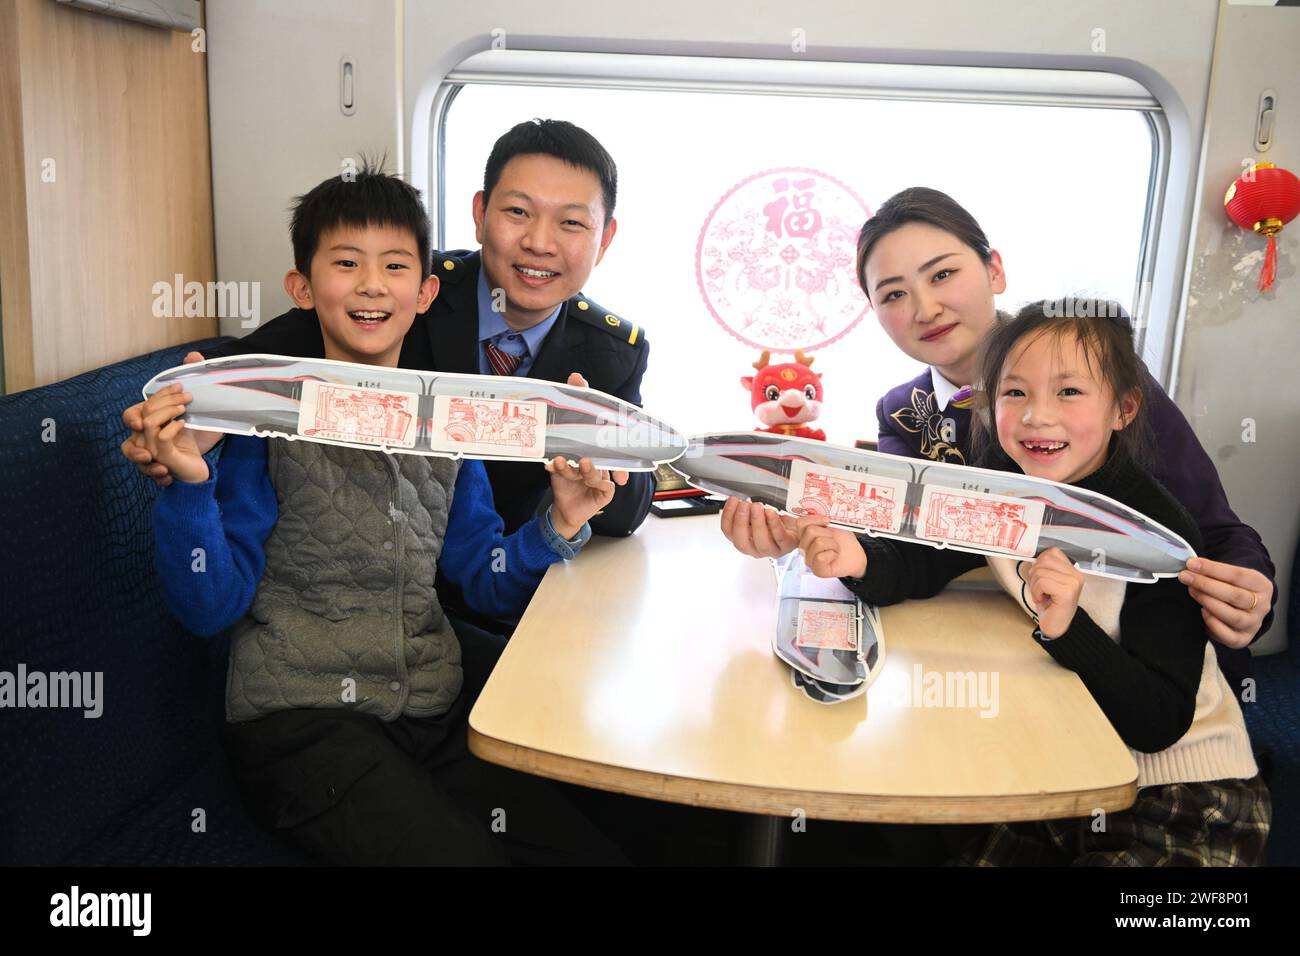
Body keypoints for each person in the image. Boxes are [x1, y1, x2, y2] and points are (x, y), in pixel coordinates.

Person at [132, 162, 624, 865]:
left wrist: (561, 522)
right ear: (303, 288)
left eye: (395, 265)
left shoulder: (448, 426)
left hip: (429, 713)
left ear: (425, 293)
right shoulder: (260, 427)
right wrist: (189, 486)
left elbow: (486, 580)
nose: (371, 284)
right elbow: (209, 607)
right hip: (301, 727)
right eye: (346, 263)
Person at [721, 187, 1276, 693]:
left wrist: (1248, 596)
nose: (925, 309)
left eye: (942, 274)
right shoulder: (901, 413)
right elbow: (899, 543)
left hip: (1134, 668)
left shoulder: (1097, 382)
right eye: (893, 294)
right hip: (1002, 652)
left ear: (995, 270)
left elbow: (1213, 529)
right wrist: (798, 533)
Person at [796, 301, 1269, 865]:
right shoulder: (1001, 489)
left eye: (1069, 392)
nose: (1037, 416)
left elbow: (1157, 722)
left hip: (1178, 788)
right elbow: (920, 562)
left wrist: (1070, 627)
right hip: (1061, 768)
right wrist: (852, 557)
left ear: (1124, 408)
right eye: (1014, 392)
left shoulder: (1153, 534)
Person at [122, 119, 654, 539]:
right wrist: (192, 414)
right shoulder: (401, 292)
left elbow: (630, 510)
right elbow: (265, 359)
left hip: (516, 578)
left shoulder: (611, 351)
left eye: (571, 222)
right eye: (518, 211)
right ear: (479, 214)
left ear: (604, 239)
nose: (539, 242)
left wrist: (591, 453)